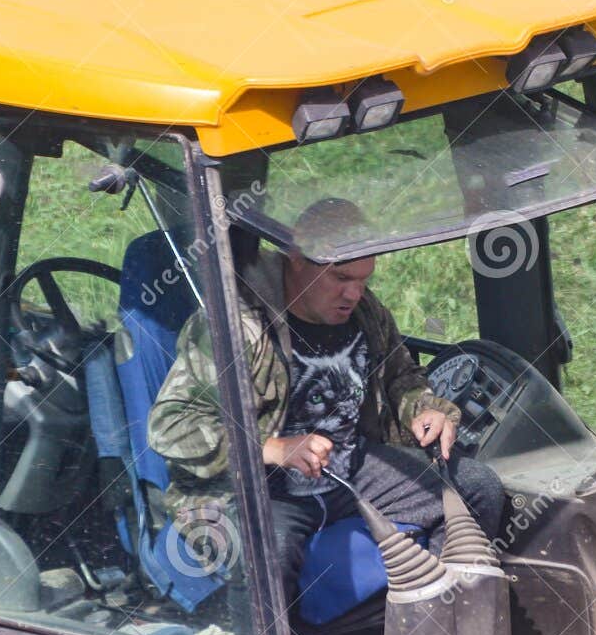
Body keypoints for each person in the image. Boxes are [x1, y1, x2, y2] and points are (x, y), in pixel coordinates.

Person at [147, 197, 505, 611]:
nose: (354, 293)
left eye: (363, 280)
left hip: (350, 469)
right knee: (269, 554)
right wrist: (272, 449)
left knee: (477, 488)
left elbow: (401, 377)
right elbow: (170, 425)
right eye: (340, 278)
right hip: (260, 490)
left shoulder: (365, 314)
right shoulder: (235, 327)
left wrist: (424, 408)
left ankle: (443, 620)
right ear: (296, 258)